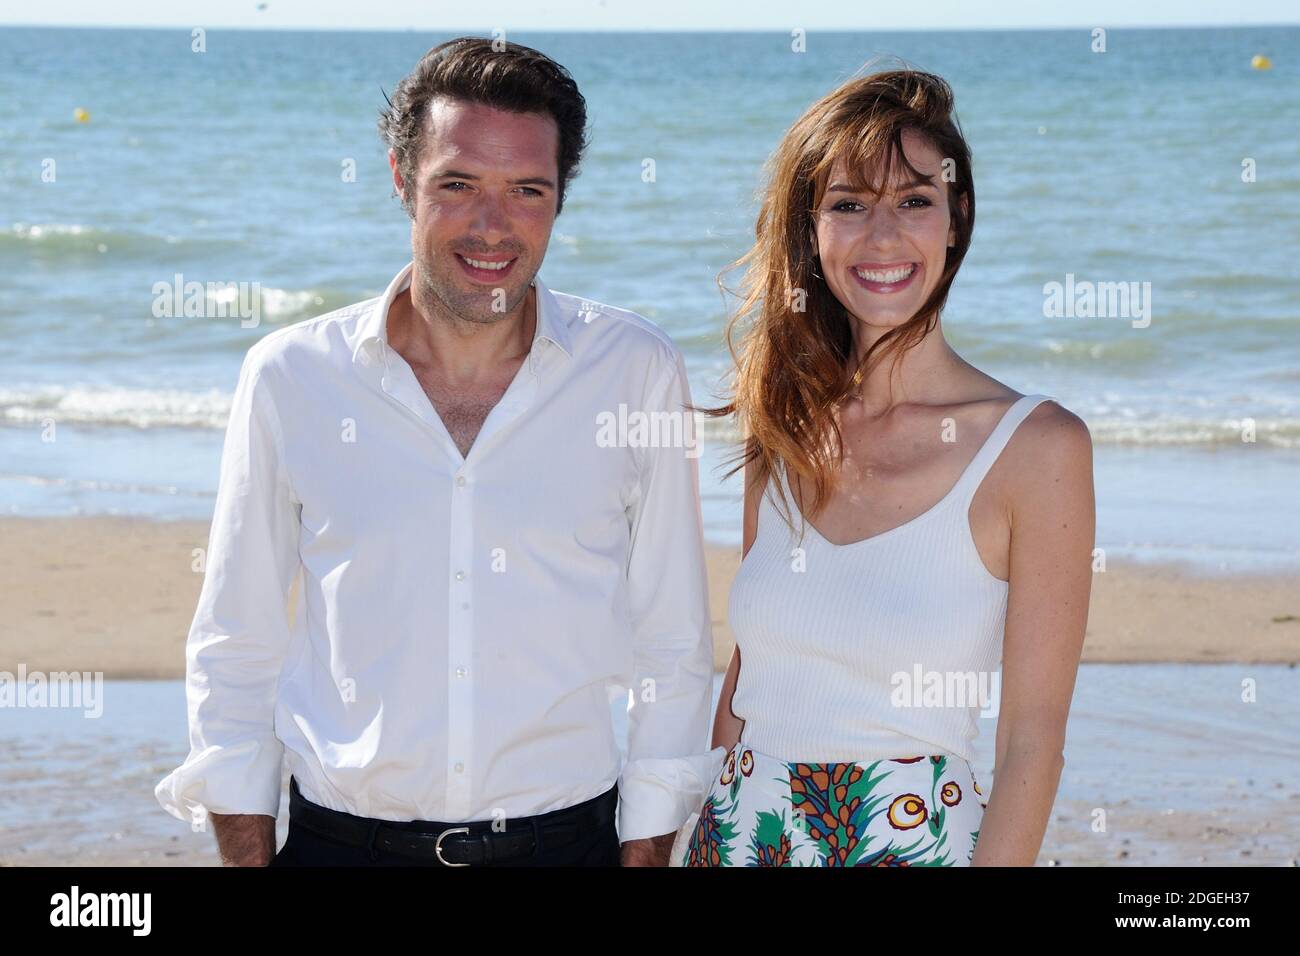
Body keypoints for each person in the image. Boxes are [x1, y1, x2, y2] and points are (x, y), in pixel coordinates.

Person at [155, 37, 716, 867]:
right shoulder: (292, 378)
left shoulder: (635, 372)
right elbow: (236, 642)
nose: (492, 225)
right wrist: (247, 857)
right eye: (457, 185)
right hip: (338, 846)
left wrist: (644, 856)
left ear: (560, 198)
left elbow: (673, 646)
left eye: (527, 189)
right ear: (399, 178)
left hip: (568, 845)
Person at [679, 68, 1094, 866]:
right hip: (736, 836)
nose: (881, 237)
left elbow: (1033, 742)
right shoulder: (784, 424)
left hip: (910, 839)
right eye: (848, 204)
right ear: (811, 230)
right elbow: (747, 674)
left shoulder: (1037, 449)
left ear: (955, 218)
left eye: (913, 200)